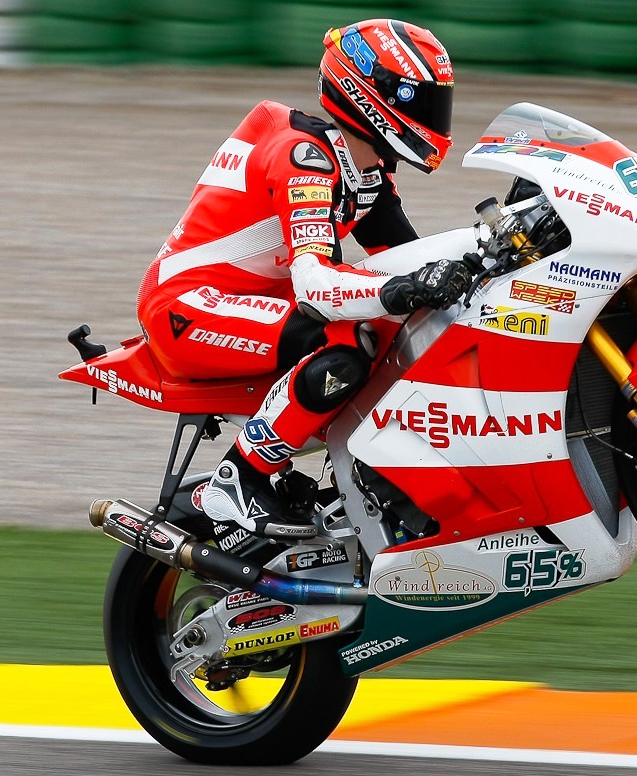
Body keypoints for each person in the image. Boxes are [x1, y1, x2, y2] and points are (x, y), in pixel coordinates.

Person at [135, 19, 472, 540]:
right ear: (372, 98)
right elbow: (317, 287)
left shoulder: (364, 171)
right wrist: (402, 288)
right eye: (421, 100)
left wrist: (495, 252)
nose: (435, 116)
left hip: (251, 299)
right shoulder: (304, 158)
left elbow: (410, 256)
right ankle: (238, 477)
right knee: (353, 340)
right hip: (187, 306)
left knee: (405, 324)